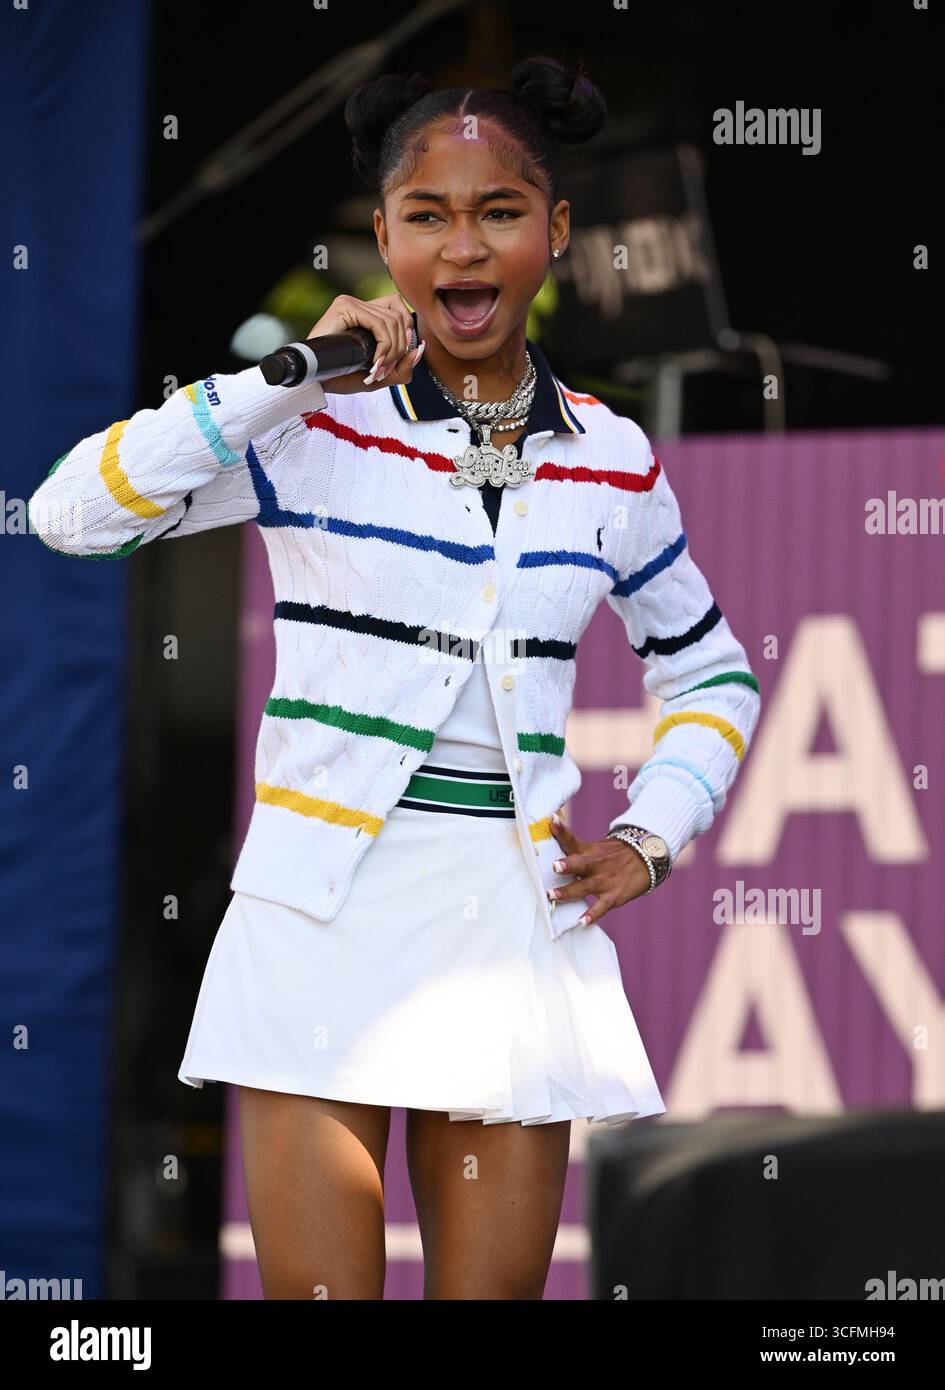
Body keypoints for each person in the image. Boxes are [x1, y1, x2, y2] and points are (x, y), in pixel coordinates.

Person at [27, 54, 761, 1300]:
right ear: (381, 234)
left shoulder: (617, 459)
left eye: (498, 212)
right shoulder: (308, 427)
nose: (462, 249)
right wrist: (286, 374)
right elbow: (67, 515)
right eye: (426, 215)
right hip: (315, 917)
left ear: (558, 230)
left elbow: (715, 673)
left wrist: (653, 836)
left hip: (507, 922)